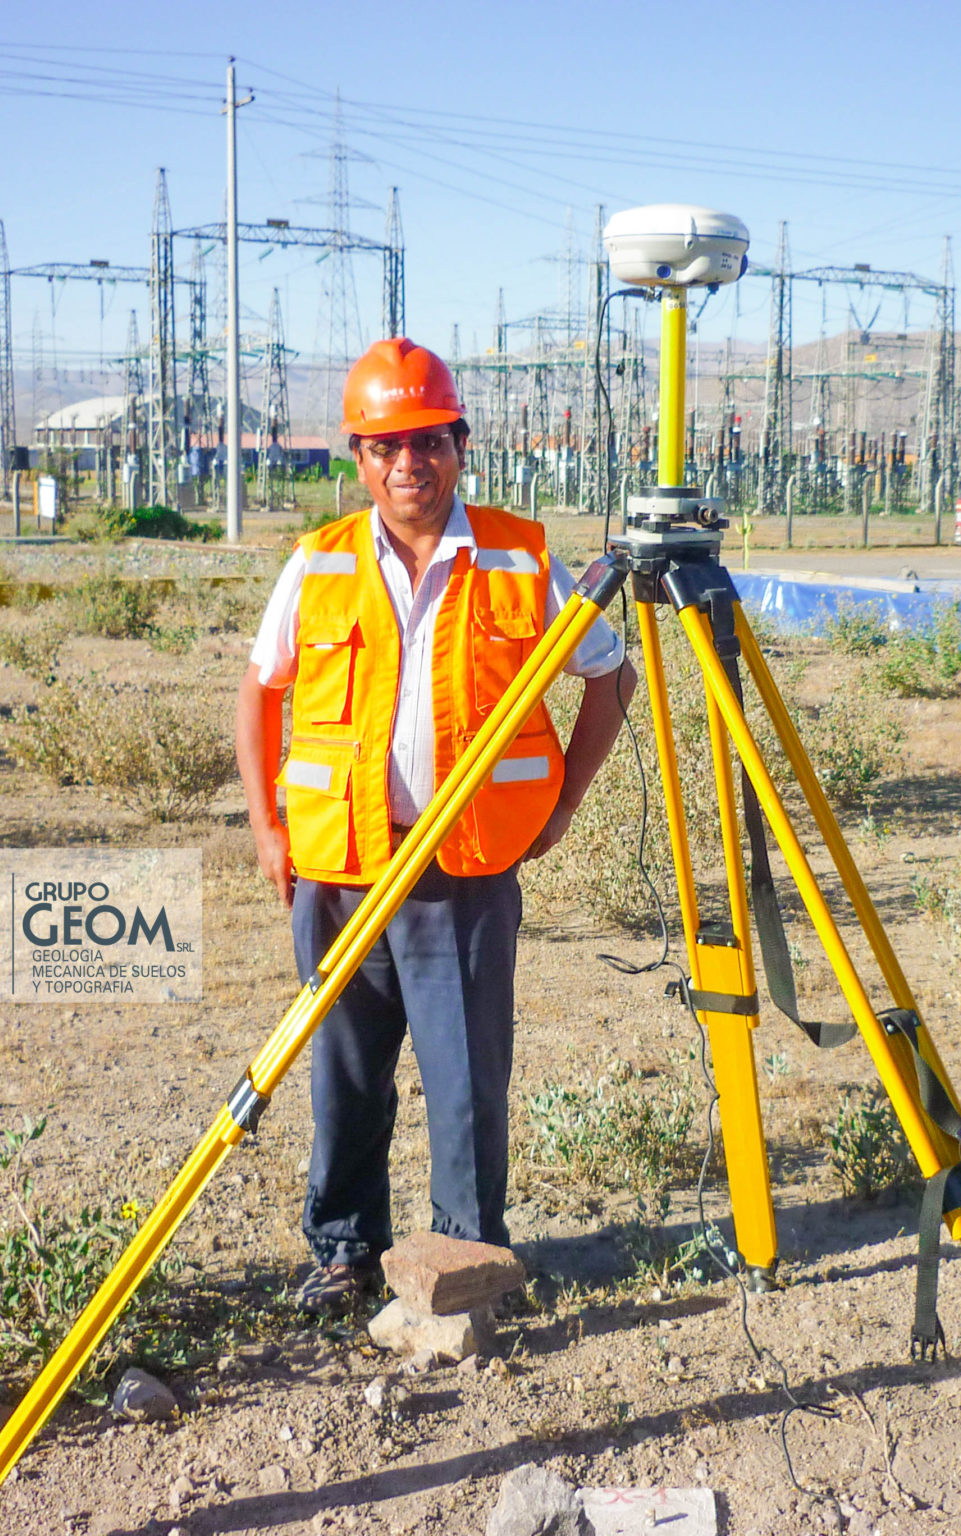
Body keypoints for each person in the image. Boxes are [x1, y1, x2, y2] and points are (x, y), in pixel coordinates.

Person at [235, 337, 636, 1313]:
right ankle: (343, 1252)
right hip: (343, 868)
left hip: (462, 872)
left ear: (459, 446)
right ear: (358, 458)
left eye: (427, 441)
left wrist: (565, 801)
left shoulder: (515, 555)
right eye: (383, 446)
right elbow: (259, 691)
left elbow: (609, 676)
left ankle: (465, 1259)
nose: (407, 463)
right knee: (341, 1075)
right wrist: (266, 829)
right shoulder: (319, 563)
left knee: (465, 1087)